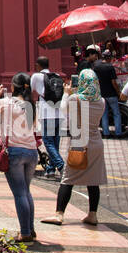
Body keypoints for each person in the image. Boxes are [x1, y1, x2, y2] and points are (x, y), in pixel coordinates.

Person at [42, 69, 107, 227]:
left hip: (79, 143)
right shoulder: (102, 101)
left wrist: (66, 92)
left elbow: (63, 108)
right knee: (93, 180)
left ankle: (59, 214)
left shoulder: (75, 98)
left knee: (67, 179)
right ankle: (92, 214)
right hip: (96, 143)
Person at [0, 73, 39, 243]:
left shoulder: (7, 103)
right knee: (26, 191)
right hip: (31, 151)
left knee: (20, 194)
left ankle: (24, 232)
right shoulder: (31, 104)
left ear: (14, 87)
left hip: (14, 152)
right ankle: (30, 229)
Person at [30, 55, 65, 180]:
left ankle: (61, 166)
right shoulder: (57, 76)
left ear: (38, 65)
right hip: (58, 114)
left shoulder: (36, 76)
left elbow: (29, 89)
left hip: (46, 114)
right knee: (55, 143)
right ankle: (50, 169)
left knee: (48, 142)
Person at [93, 49, 123, 138]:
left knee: (104, 114)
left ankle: (106, 133)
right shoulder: (110, 67)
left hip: (101, 94)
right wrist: (118, 92)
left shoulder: (96, 66)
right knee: (116, 113)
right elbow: (113, 82)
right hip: (111, 94)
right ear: (109, 58)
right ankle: (118, 133)